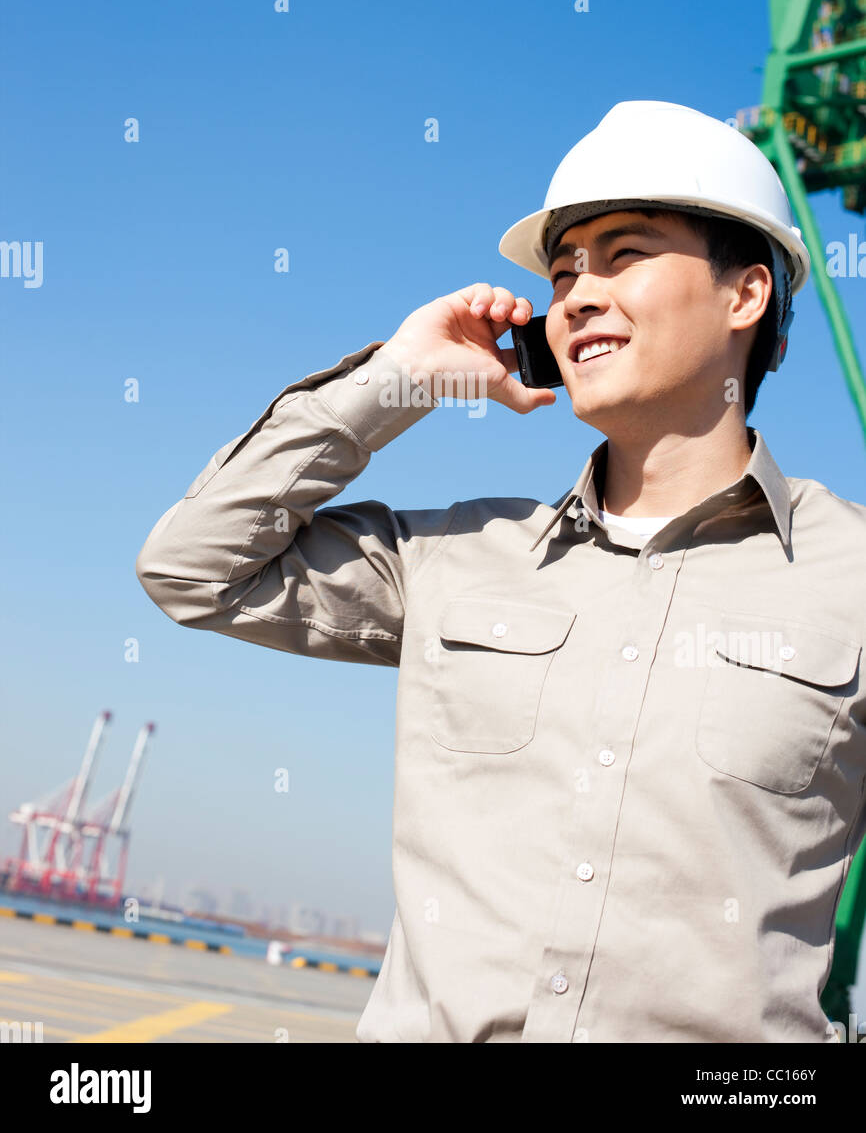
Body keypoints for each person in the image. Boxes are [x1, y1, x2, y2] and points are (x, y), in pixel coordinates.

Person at [136, 100, 866, 1043]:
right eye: (564, 274)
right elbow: (192, 567)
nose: (577, 296)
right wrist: (396, 380)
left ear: (745, 295)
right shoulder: (450, 558)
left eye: (626, 255)